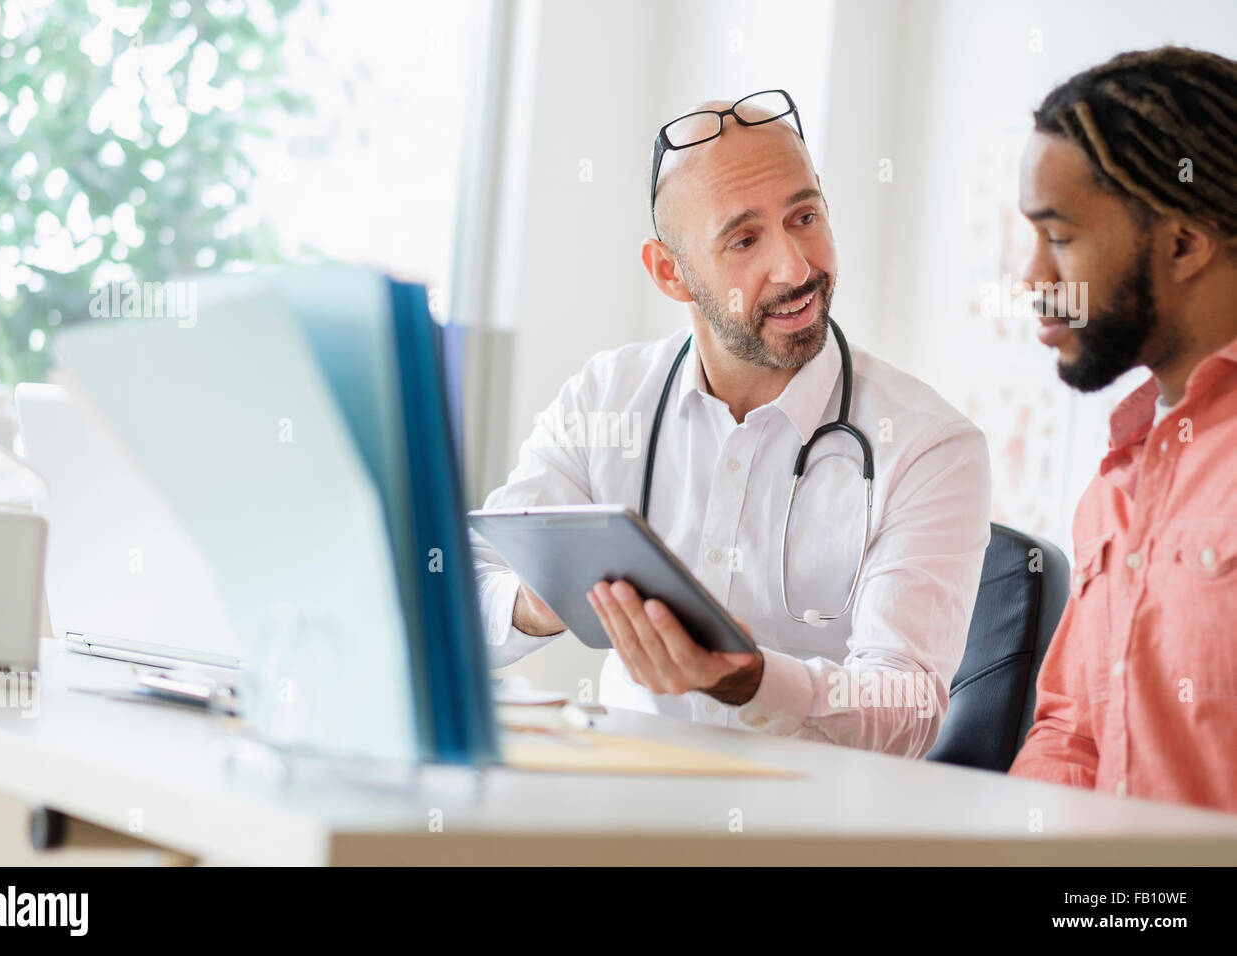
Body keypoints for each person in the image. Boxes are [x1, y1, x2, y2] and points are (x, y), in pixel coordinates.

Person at [470, 90, 990, 756]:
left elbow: (907, 710)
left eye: (805, 216)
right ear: (670, 273)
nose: (796, 267)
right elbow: (454, 592)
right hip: (623, 799)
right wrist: (541, 601)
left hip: (812, 827)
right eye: (744, 239)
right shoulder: (606, 399)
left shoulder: (929, 445)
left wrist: (755, 680)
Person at [1010, 47, 1237, 812]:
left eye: (1061, 237)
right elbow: (1073, 735)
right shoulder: (1120, 476)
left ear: (1182, 243)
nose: (1033, 280)